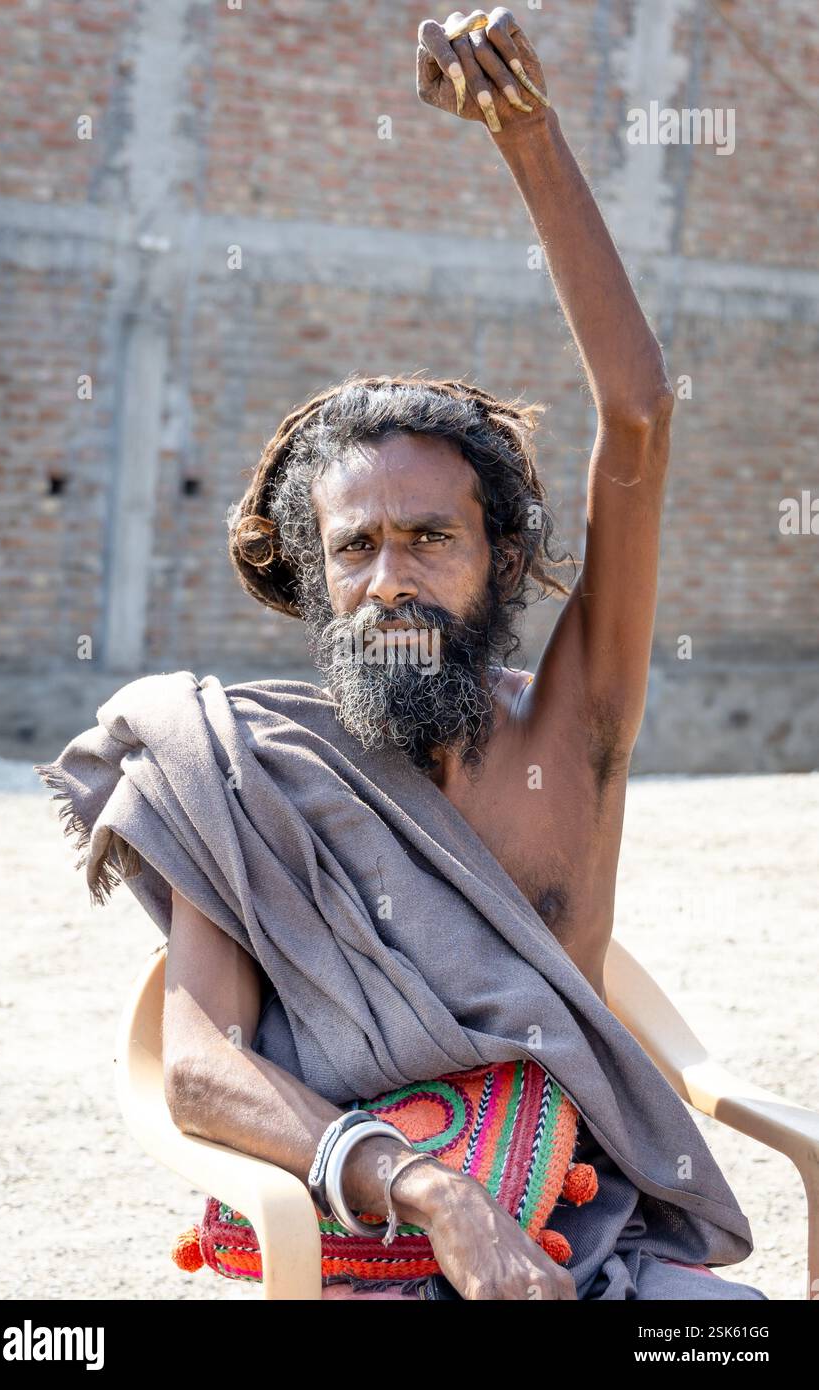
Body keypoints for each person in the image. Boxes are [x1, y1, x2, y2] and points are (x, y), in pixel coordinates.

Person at [41, 9, 768, 1300]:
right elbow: (201, 1061)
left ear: (498, 554)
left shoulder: (574, 732)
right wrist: (424, 1189)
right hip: (356, 1245)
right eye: (357, 546)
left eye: (429, 536)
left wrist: (526, 137)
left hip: (593, 1241)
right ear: (316, 578)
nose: (389, 576)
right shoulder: (241, 774)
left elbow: (638, 414)